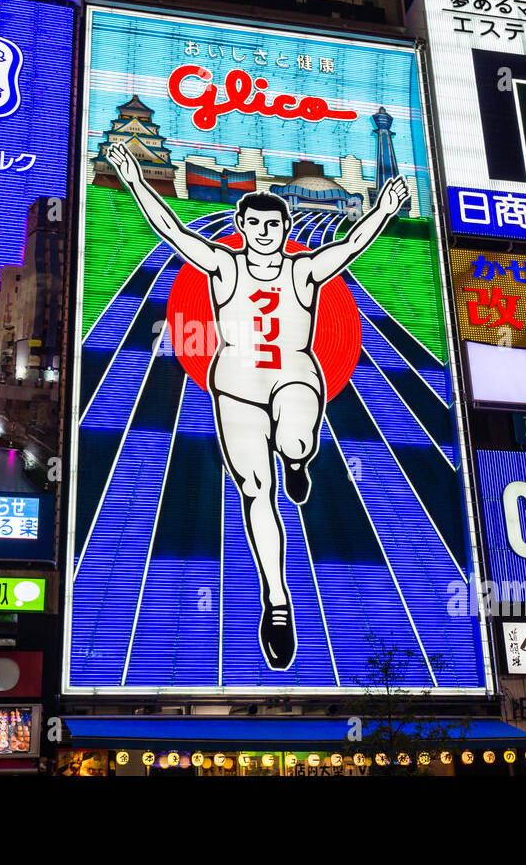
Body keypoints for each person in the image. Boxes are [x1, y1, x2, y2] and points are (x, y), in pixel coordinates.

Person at [105, 141, 409, 669]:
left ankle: (297, 460)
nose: (264, 232)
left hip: (294, 375)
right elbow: (173, 231)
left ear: (285, 228)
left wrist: (383, 210)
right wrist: (135, 180)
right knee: (255, 491)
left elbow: (351, 246)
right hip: (237, 386)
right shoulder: (224, 267)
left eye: (273, 225)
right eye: (255, 224)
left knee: (296, 438)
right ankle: (277, 601)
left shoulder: (303, 270)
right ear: (242, 227)